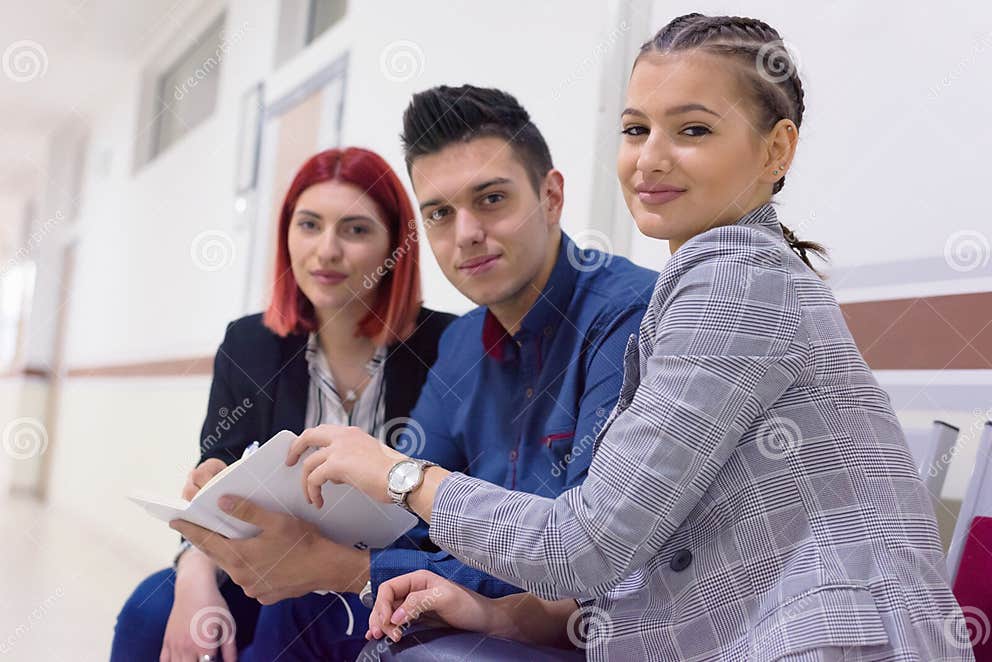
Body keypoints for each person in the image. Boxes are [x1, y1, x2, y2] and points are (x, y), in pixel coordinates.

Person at [289, 15, 972, 661]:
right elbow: (623, 565)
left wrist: (400, 475)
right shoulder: (702, 285)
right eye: (636, 128)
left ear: (776, 149)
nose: (651, 158)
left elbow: (582, 545)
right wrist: (498, 614)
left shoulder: (735, 284)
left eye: (694, 130)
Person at [171, 85, 658, 659]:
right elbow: (410, 525)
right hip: (479, 607)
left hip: (594, 631)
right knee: (298, 610)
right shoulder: (460, 346)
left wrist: (348, 567)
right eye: (440, 214)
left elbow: (580, 560)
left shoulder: (631, 318)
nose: (466, 234)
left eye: (492, 199)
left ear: (551, 196)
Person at [111, 147, 456, 661]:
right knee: (150, 609)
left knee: (292, 617)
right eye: (309, 225)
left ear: (395, 246)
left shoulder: (446, 346)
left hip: (380, 578)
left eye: (356, 230)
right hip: (264, 571)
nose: (327, 250)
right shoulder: (250, 344)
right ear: (286, 235)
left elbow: (451, 515)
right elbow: (215, 486)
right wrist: (195, 582)